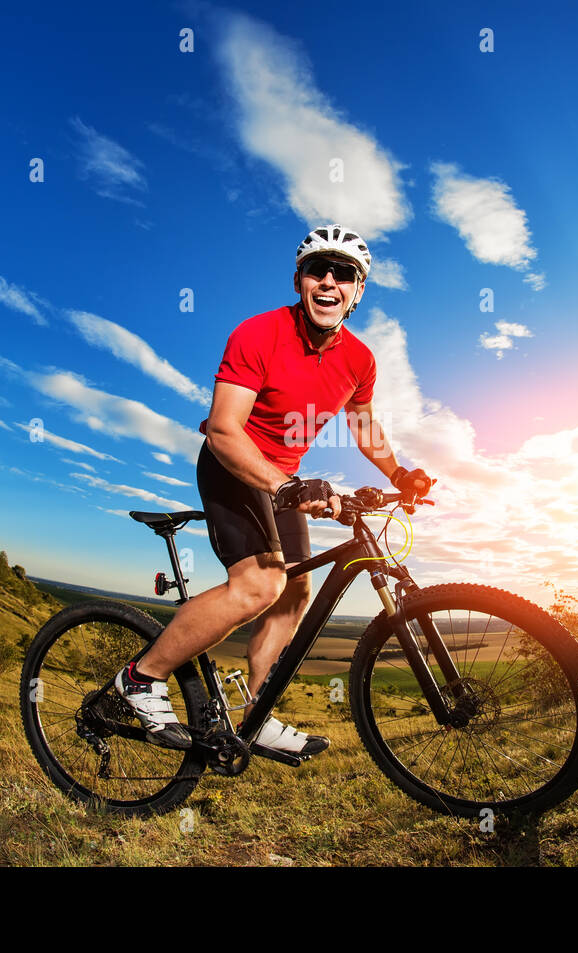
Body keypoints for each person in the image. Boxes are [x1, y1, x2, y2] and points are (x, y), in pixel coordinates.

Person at [113, 224, 434, 754]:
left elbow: (364, 427)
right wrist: (286, 484)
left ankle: (256, 713)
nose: (329, 281)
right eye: (318, 270)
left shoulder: (360, 360)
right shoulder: (259, 334)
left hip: (285, 478)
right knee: (259, 586)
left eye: (345, 274)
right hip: (233, 464)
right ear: (299, 280)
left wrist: (399, 475)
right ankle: (141, 678)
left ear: (357, 292)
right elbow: (222, 430)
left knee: (296, 589)